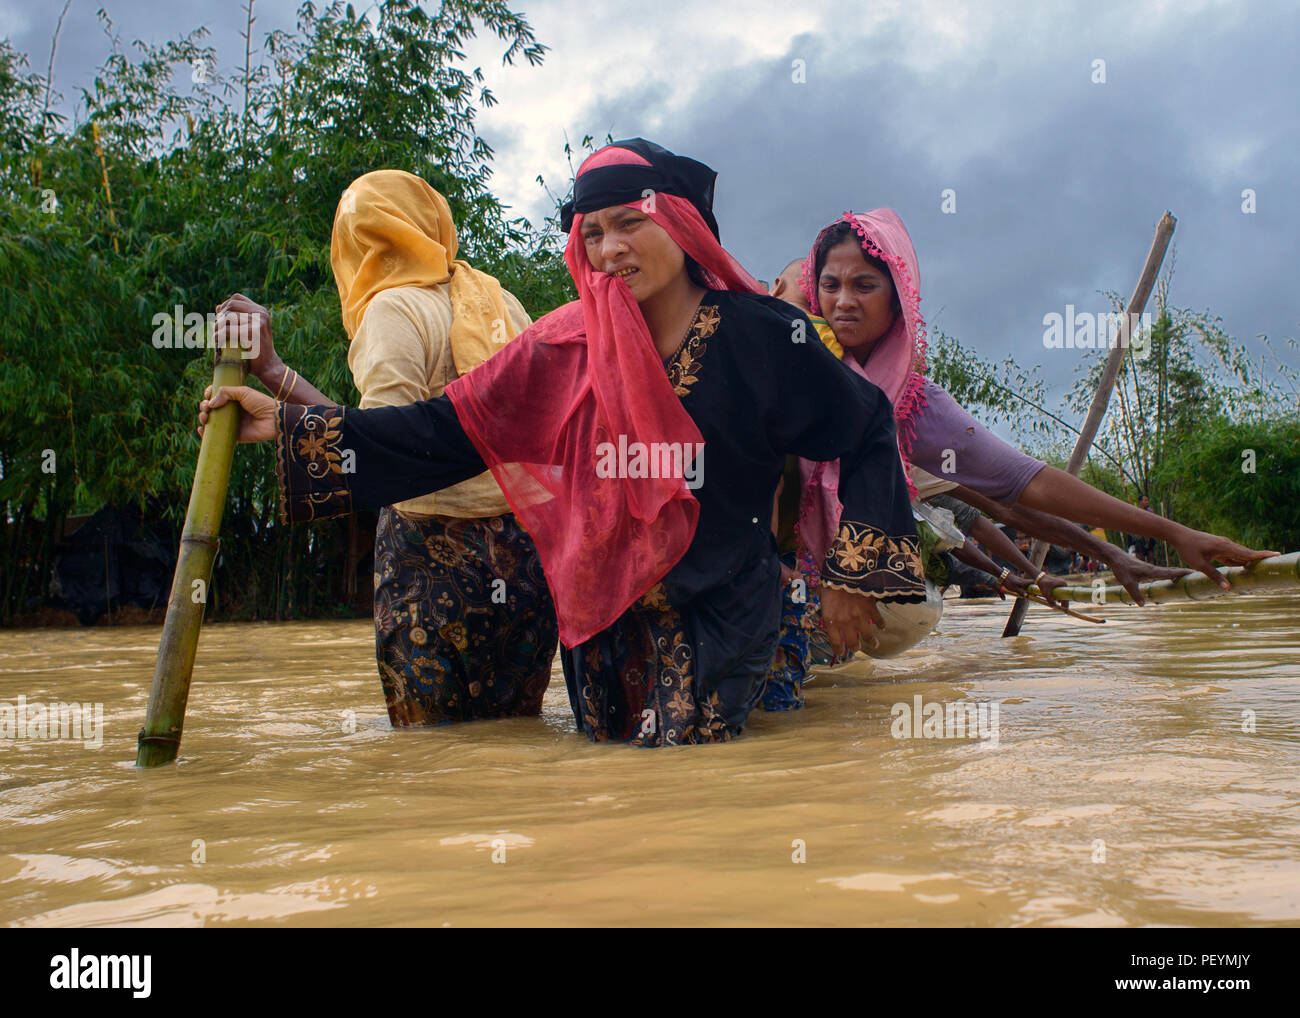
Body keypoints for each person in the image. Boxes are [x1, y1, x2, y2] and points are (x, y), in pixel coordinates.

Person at [200, 139, 927, 747]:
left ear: (676, 223)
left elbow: (863, 428)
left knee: (692, 776)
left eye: (626, 224)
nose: (609, 250)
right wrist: (288, 422)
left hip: (722, 610)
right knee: (610, 802)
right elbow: (445, 432)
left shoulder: (766, 335)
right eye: (590, 234)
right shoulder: (559, 345)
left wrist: (851, 578)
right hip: (599, 625)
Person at [210, 171, 558, 728]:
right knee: (518, 734)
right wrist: (276, 377)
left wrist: (276, 387)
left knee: (427, 760)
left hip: (430, 557)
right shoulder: (504, 304)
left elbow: (382, 449)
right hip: (524, 557)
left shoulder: (393, 309)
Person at [797, 212, 1275, 594]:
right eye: (830, 285)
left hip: (818, 591)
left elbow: (1021, 486)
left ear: (898, 298)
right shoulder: (788, 358)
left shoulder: (914, 408)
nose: (844, 301)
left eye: (865, 285)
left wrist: (1174, 535)